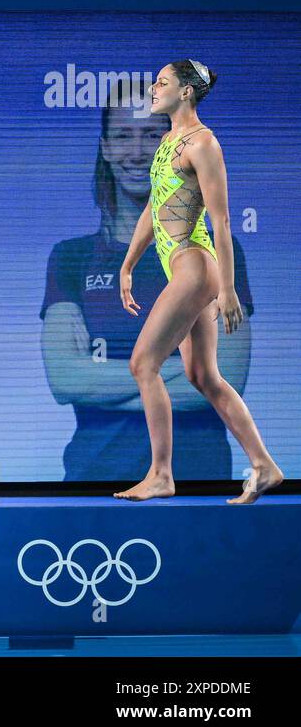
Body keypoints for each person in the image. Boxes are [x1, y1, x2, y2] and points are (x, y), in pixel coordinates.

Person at [40, 79, 253, 482]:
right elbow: (66, 379)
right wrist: (182, 374)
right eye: (123, 136)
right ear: (105, 148)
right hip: (94, 481)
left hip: (198, 485)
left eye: (152, 135)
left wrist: (101, 381)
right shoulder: (70, 258)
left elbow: (229, 378)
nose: (137, 152)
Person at [114, 60, 282, 504]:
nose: (153, 88)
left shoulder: (203, 143)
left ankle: (161, 474)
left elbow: (222, 220)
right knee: (203, 374)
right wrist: (128, 264)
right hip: (181, 265)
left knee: (142, 364)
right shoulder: (168, 142)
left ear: (186, 92)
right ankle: (264, 465)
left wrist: (226, 289)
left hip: (195, 266)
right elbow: (155, 207)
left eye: (162, 82)